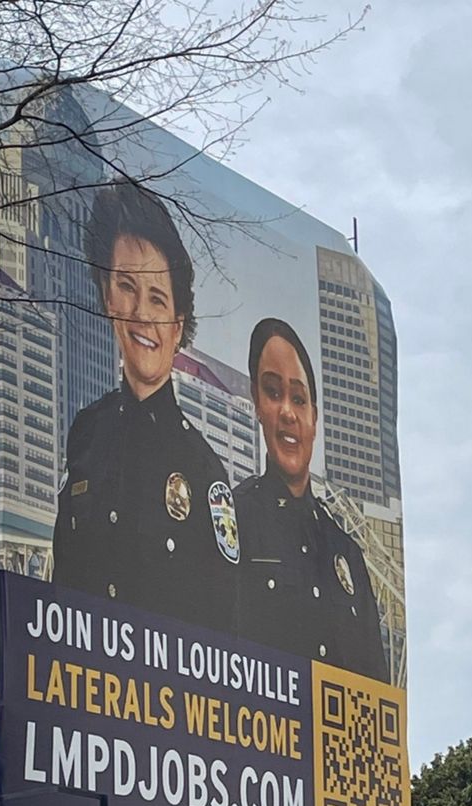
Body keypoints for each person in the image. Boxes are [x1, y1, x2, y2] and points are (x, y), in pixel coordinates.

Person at [52, 180, 239, 630]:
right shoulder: (87, 432)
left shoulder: (203, 468)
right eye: (126, 287)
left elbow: (223, 619)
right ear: (107, 297)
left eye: (157, 298)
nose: (141, 313)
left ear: (178, 325)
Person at [235, 318, 388, 682]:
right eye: (273, 393)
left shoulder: (346, 551)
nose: (288, 412)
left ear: (314, 418)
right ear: (256, 402)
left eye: (299, 399)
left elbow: (377, 686)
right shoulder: (234, 518)